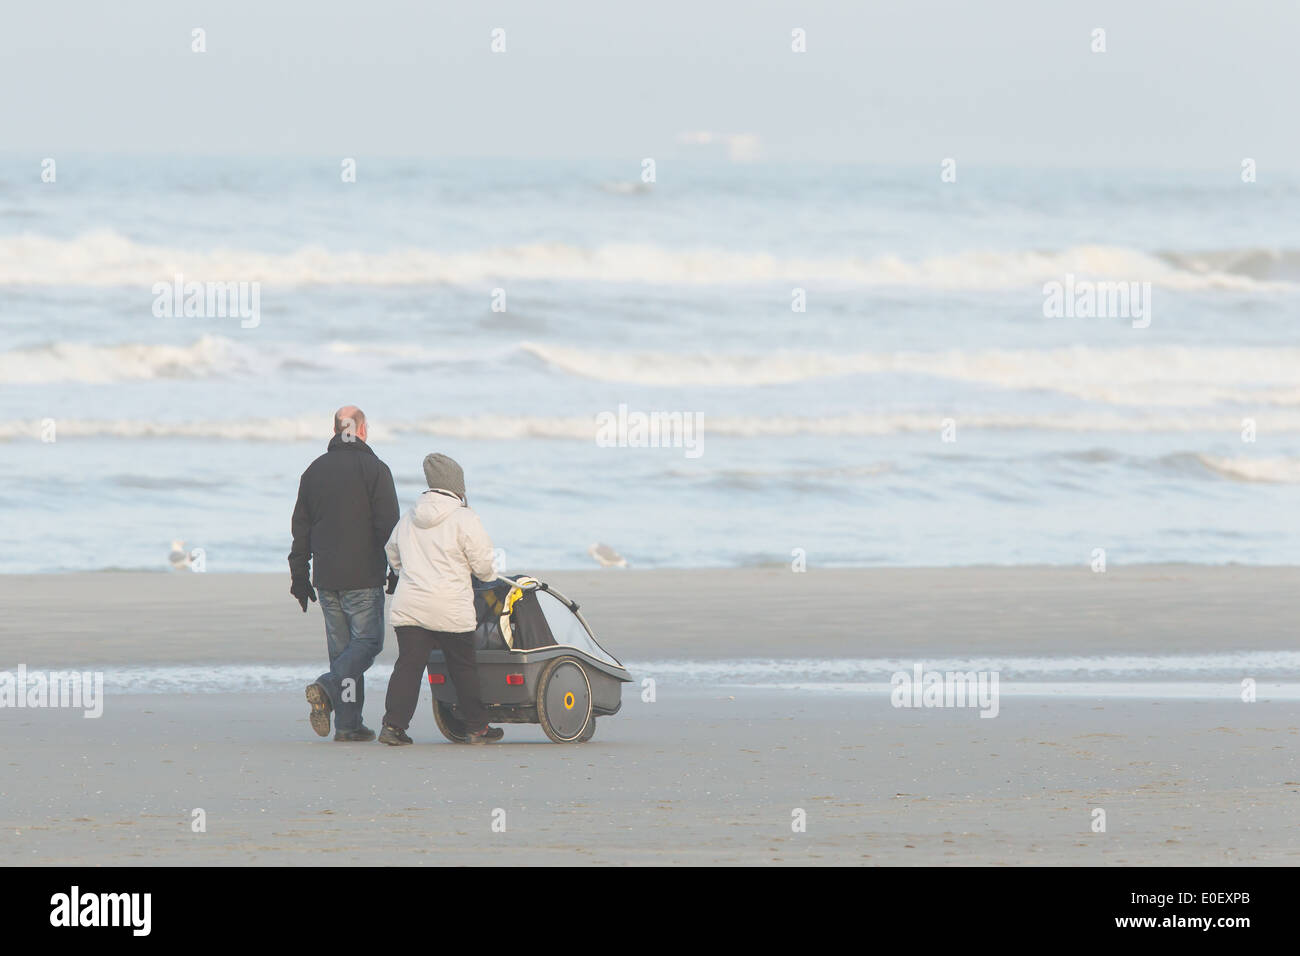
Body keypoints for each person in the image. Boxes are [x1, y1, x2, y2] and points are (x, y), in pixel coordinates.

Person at [289, 406, 399, 742]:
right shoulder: (376, 470)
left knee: (345, 654)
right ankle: (327, 686)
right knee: (367, 644)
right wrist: (397, 570)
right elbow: (389, 528)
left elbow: (301, 530)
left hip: (326, 579)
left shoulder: (314, 471)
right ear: (361, 430)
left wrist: (299, 576)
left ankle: (349, 724)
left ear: (337, 429)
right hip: (362, 577)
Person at [379, 453, 502, 745]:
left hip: (411, 606)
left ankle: (393, 727)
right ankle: (476, 727)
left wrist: (409, 570)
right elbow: (483, 565)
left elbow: (392, 553)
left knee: (409, 666)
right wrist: (486, 576)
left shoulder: (409, 517)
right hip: (450, 607)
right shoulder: (464, 518)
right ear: (457, 485)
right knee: (462, 667)